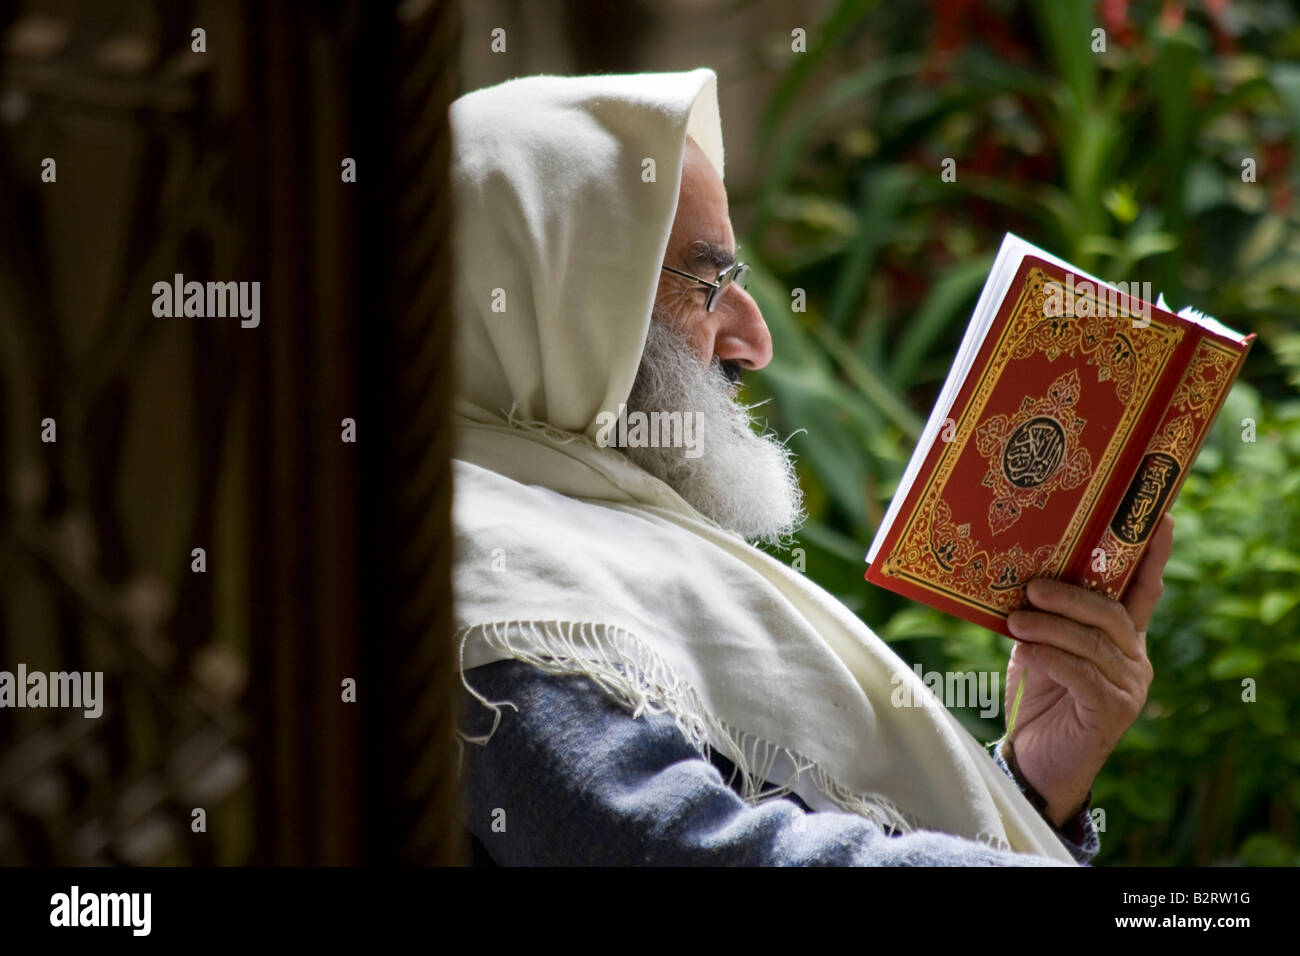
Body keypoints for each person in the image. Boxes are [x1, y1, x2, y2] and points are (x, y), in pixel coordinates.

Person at [449, 69, 1171, 866]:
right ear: (555, 299)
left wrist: (1037, 785)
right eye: (705, 282)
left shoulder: (588, 534)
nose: (755, 340)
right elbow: (678, 852)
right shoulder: (487, 569)